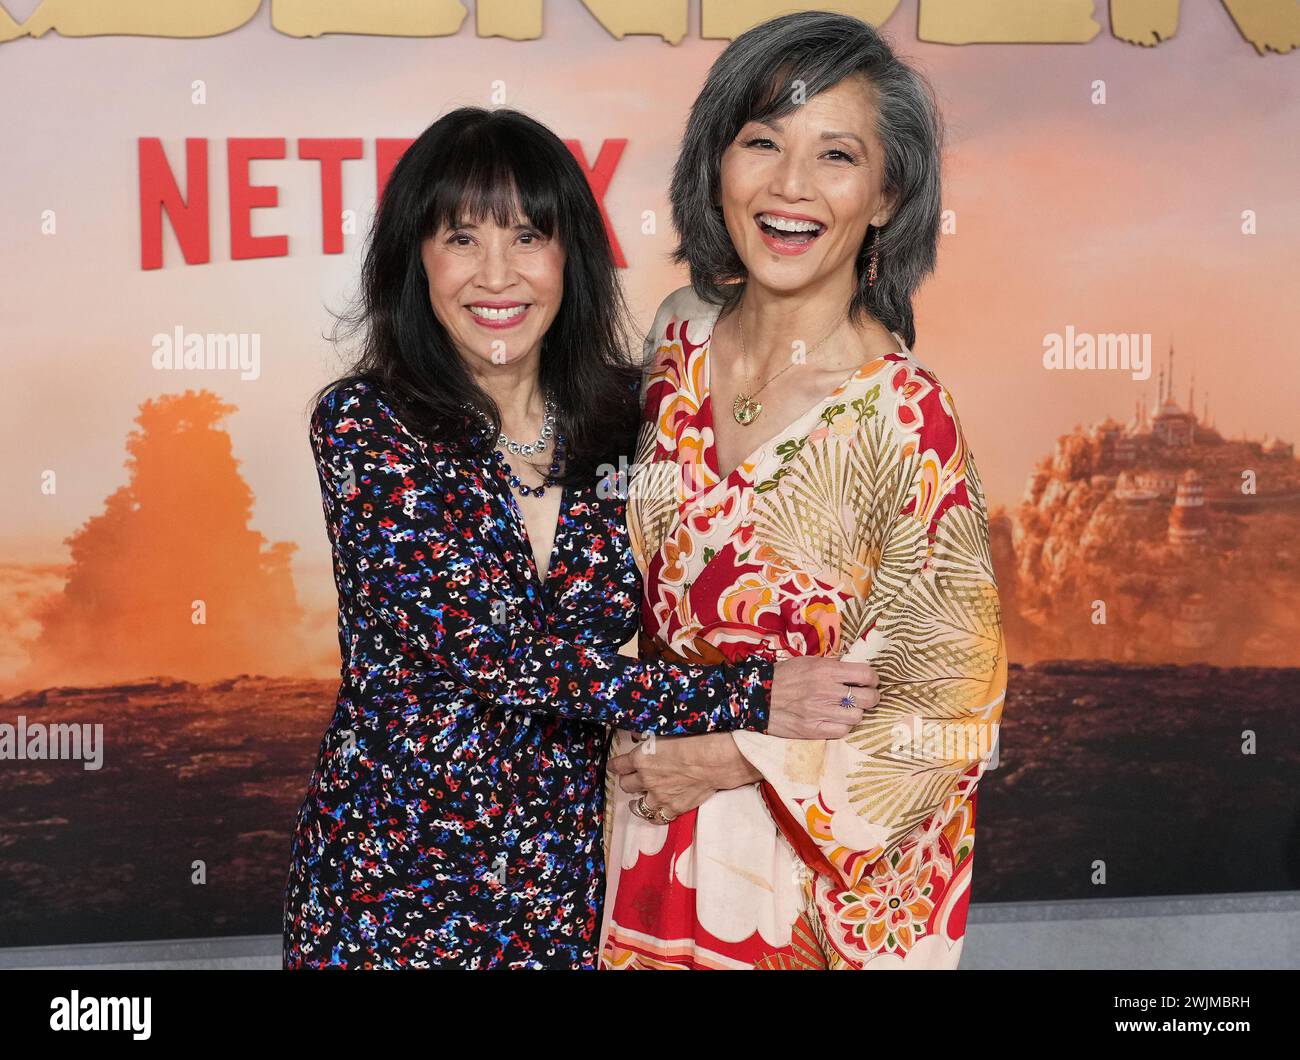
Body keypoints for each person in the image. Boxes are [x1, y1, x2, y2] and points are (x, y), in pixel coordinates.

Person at [281, 106, 874, 970]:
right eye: (460, 239)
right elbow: (499, 657)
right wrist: (752, 699)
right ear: (416, 258)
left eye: (528, 237)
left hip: (562, 885)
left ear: (570, 258)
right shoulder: (368, 426)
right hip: (388, 886)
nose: (497, 276)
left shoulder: (626, 415)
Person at [601, 11, 1008, 970]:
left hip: (798, 889)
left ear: (886, 195)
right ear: (715, 165)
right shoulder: (674, 340)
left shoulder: (905, 416)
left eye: (835, 154)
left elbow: (952, 709)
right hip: (646, 836)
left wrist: (733, 754)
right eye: (761, 143)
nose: (790, 186)